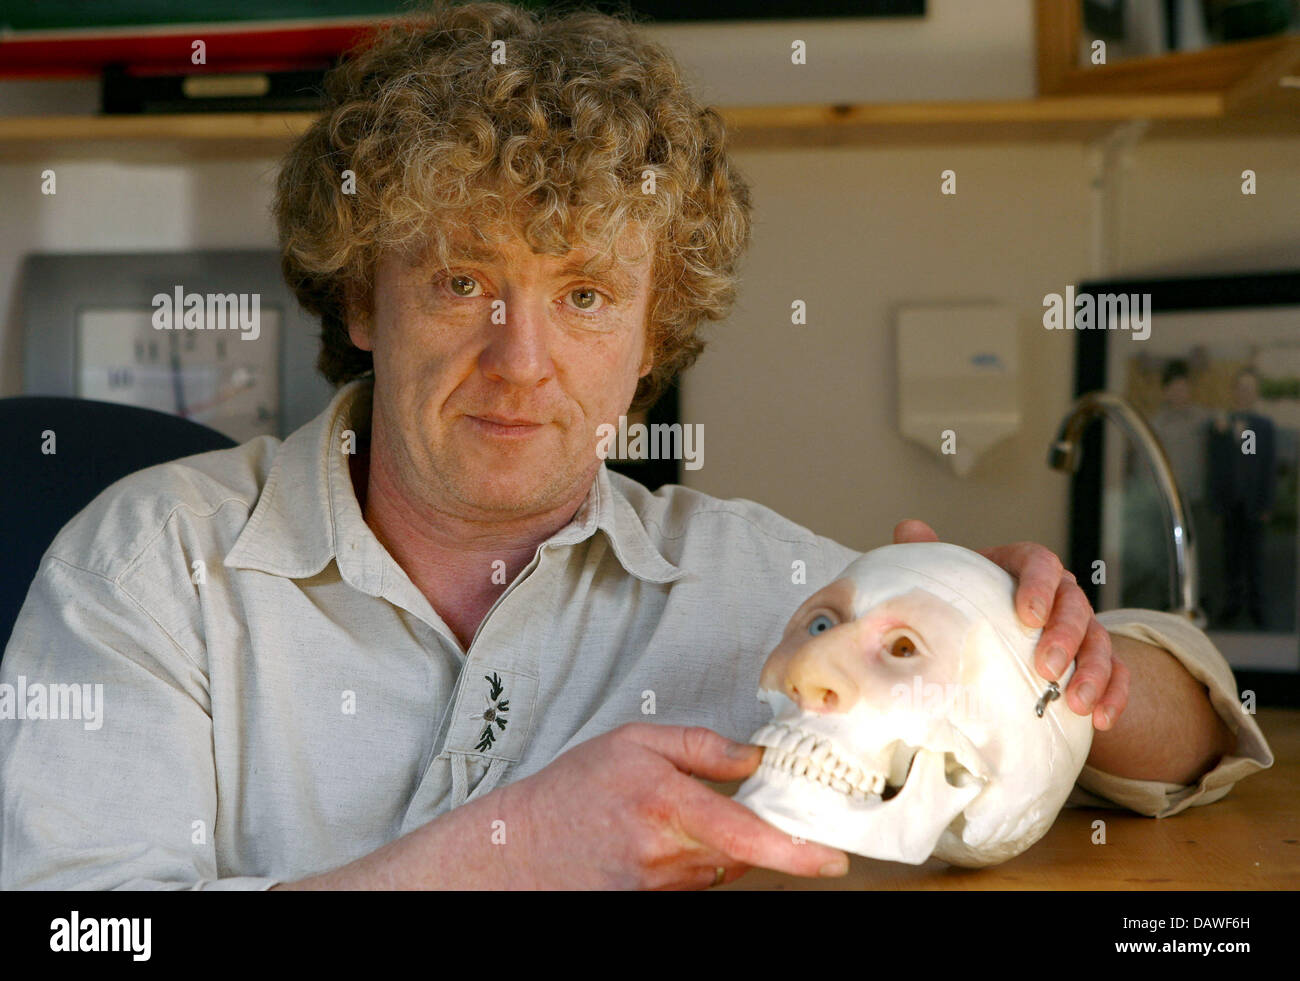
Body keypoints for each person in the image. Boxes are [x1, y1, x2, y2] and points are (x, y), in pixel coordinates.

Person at [0, 1, 1271, 891]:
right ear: (357, 297)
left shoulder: (769, 596)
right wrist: (498, 867)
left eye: (588, 297)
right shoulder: (151, 565)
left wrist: (1082, 667)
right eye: (458, 280)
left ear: (654, 336)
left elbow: (1186, 749)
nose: (520, 360)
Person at [1207, 367, 1277, 628]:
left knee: (1255, 559)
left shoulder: (1264, 426)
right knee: (1230, 558)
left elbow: (1268, 466)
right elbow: (1214, 466)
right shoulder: (1220, 425)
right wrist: (1215, 503)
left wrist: (1267, 503)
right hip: (1229, 503)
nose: (1245, 394)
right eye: (1241, 388)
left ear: (1255, 393)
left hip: (1254, 504)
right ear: (1234, 391)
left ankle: (1257, 608)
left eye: (1250, 389)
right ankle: (1232, 605)